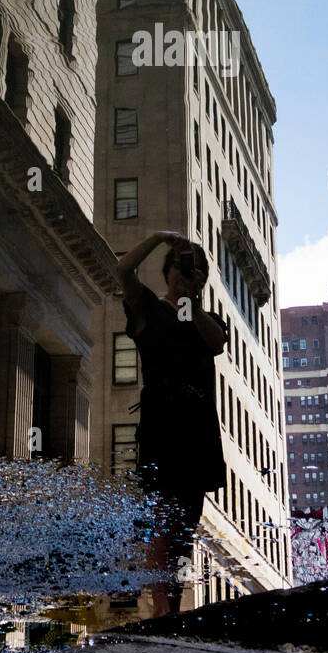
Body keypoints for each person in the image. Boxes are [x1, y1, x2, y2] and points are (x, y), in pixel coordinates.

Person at [116, 230, 227, 616]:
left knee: (184, 530)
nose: (184, 274)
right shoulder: (148, 308)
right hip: (163, 428)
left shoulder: (203, 318)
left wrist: (191, 301)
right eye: (180, 267)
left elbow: (216, 343)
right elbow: (123, 269)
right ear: (167, 270)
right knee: (162, 520)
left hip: (197, 433)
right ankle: (162, 608)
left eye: (193, 270)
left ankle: (173, 608)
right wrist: (160, 237)